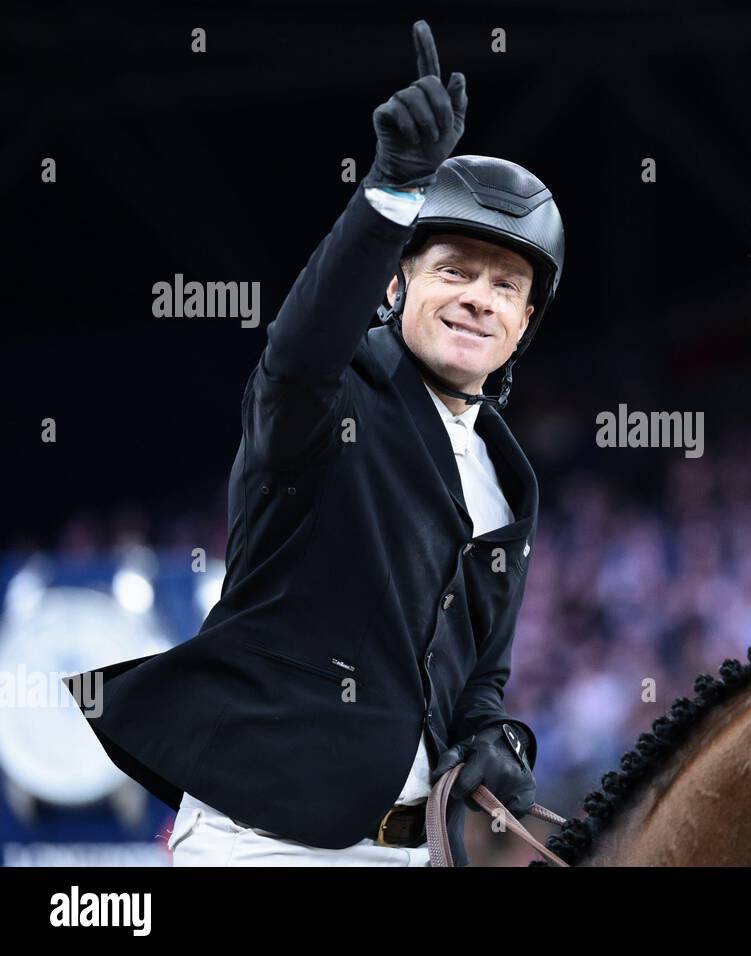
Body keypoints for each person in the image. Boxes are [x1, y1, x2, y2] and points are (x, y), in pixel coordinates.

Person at [64, 19, 564, 866]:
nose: (480, 297)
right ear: (398, 281)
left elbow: (479, 676)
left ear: (522, 324)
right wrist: (391, 191)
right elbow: (298, 353)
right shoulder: (332, 399)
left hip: (411, 853)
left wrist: (497, 739)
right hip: (263, 846)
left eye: (505, 286)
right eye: (454, 270)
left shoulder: (508, 480)